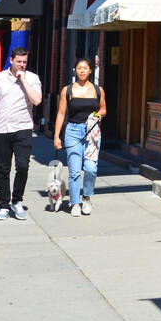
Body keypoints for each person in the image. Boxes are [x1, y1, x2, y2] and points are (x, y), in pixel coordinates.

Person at [0, 48, 42, 220]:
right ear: (11, 60)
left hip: (23, 128)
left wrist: (23, 81)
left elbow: (37, 100)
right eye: (19, 61)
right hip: (1, 129)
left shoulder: (32, 78)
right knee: (3, 169)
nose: (21, 64)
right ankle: (4, 204)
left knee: (22, 166)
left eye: (24, 62)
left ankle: (17, 200)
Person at [53, 57, 107, 217]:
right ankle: (75, 203)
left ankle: (87, 197)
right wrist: (57, 136)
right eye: (79, 68)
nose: (82, 70)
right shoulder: (67, 90)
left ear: (91, 71)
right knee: (75, 171)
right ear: (75, 70)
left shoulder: (98, 90)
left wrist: (96, 115)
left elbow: (103, 109)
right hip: (73, 132)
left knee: (91, 169)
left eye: (85, 68)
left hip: (92, 133)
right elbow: (61, 113)